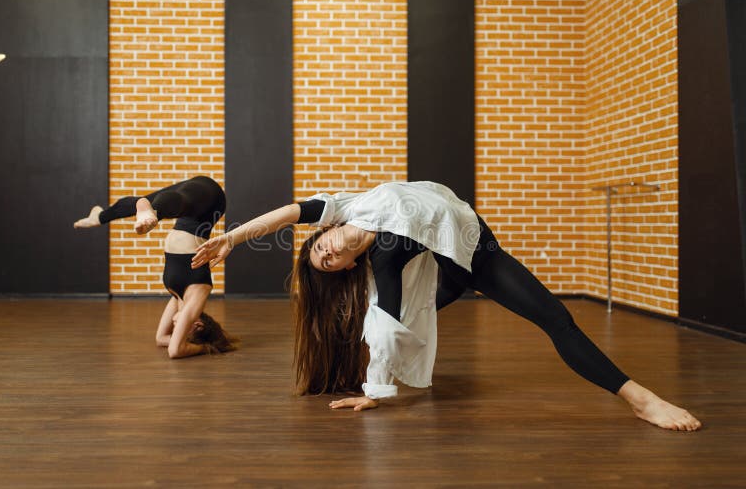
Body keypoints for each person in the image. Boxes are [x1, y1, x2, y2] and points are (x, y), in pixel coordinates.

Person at [192, 181, 701, 431]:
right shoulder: (383, 263)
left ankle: (636, 397)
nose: (326, 254)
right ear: (346, 268)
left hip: (476, 247)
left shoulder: (344, 205)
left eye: (320, 249)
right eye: (327, 263)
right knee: (399, 325)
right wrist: (376, 391)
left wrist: (232, 238)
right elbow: (385, 324)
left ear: (324, 233)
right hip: (462, 267)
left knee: (557, 320)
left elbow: (286, 214)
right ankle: (643, 400)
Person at [74, 176, 237, 358]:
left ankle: (100, 216)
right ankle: (151, 212)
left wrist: (186, 341)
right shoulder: (197, 295)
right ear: (198, 325)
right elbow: (175, 350)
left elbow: (161, 339)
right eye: (184, 332)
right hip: (212, 201)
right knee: (176, 202)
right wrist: (206, 347)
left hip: (189, 213)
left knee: (151, 202)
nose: (176, 328)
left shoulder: (179, 297)